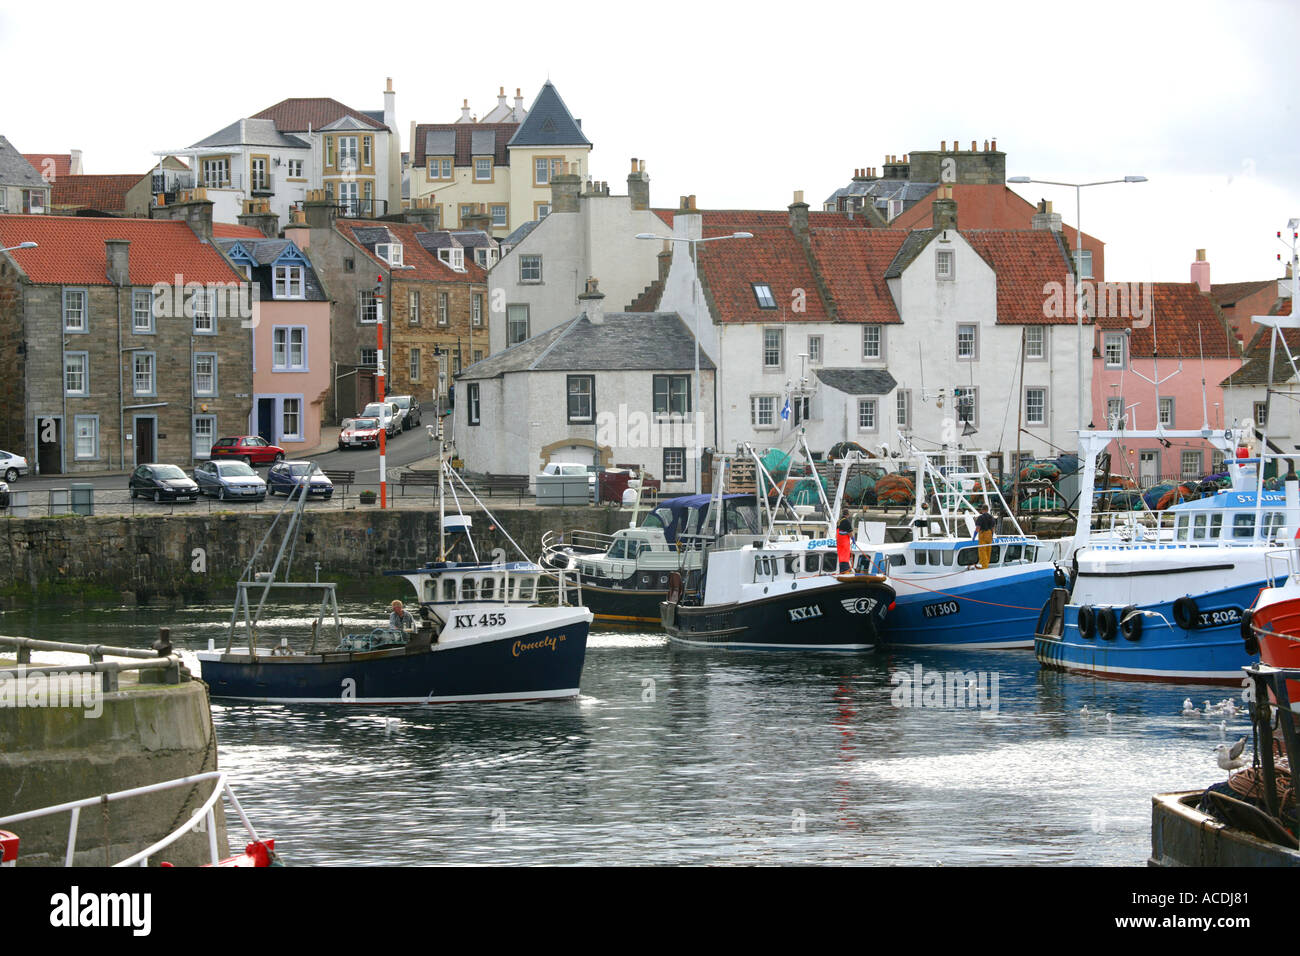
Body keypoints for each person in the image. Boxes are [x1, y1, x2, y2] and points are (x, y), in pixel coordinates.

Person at [975, 504, 996, 569]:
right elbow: (993, 529)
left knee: (982, 551)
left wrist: (974, 536)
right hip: (989, 535)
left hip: (983, 535)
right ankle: (986, 564)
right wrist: (992, 536)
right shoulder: (992, 517)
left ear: (982, 510)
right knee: (988, 551)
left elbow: (978, 528)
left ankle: (984, 566)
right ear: (987, 510)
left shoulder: (980, 517)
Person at [836, 508, 853, 573]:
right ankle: (845, 569)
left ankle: (843, 569)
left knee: (841, 555)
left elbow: (838, 531)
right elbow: (850, 532)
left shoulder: (839, 521)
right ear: (848, 514)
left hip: (839, 541)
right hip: (844, 541)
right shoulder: (846, 521)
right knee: (845, 555)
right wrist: (853, 539)